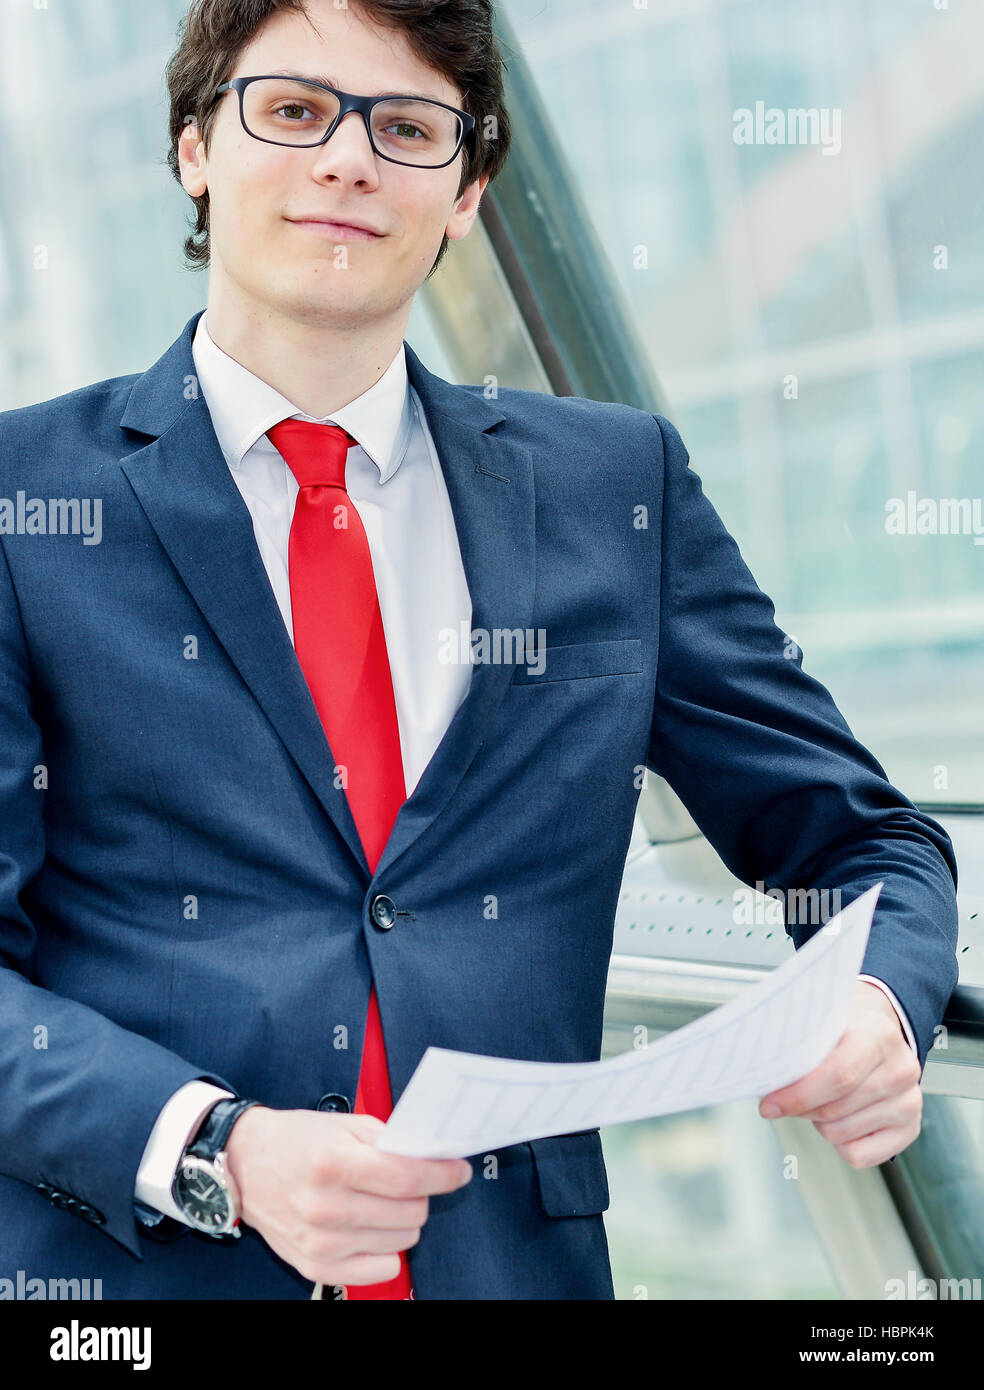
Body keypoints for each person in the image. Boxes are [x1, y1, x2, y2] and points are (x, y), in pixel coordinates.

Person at [0, 0, 958, 1301]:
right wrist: (216, 1147)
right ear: (195, 147)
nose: (349, 159)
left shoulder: (616, 490)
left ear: (466, 191)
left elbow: (868, 841)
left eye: (407, 129)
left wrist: (881, 1002)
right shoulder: (23, 500)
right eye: (292, 110)